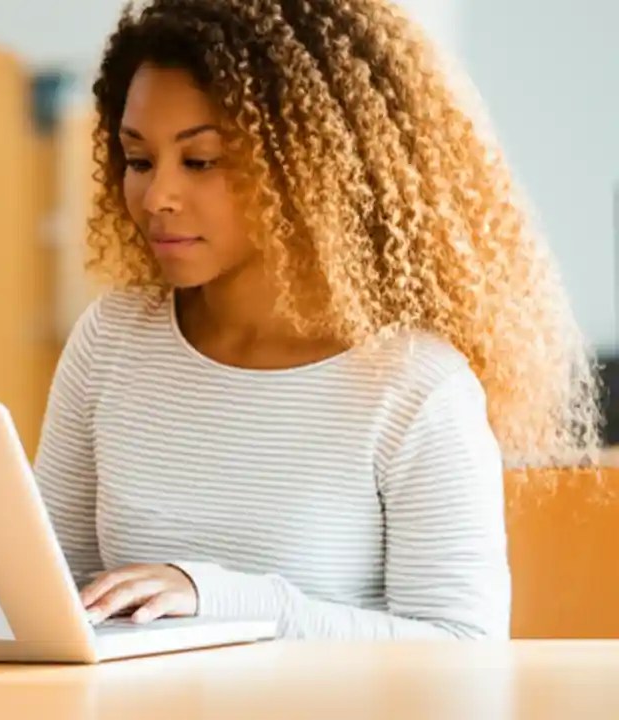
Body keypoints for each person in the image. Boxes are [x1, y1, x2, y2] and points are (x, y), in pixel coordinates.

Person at [34, 0, 601, 639]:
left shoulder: (416, 386)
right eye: (139, 160)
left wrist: (220, 598)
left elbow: (464, 647)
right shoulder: (110, 338)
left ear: (311, 167)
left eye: (201, 161)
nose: (158, 196)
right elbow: (53, 589)